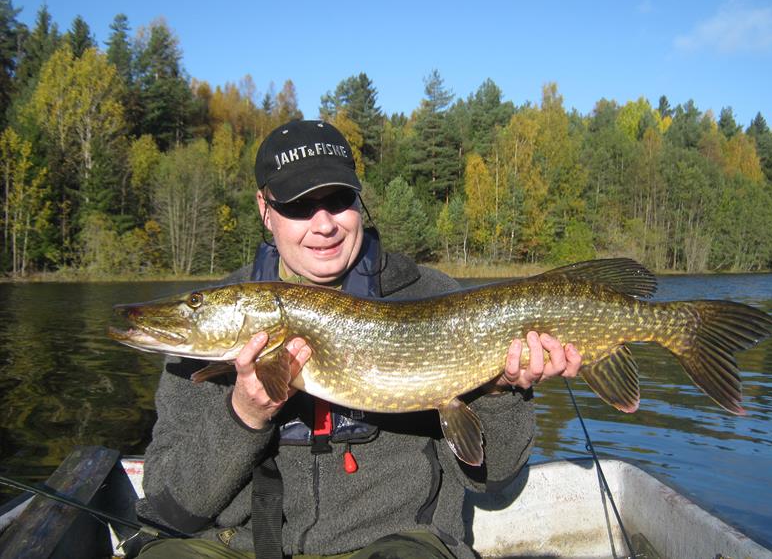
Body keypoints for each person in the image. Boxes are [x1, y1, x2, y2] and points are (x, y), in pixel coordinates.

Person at [136, 120, 582, 559]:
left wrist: (499, 391)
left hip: (396, 545)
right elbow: (170, 508)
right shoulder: (205, 334)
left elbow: (492, 481)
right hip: (242, 546)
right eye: (297, 205)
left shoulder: (432, 294)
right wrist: (245, 415)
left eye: (338, 199)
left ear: (358, 200)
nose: (324, 224)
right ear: (264, 209)